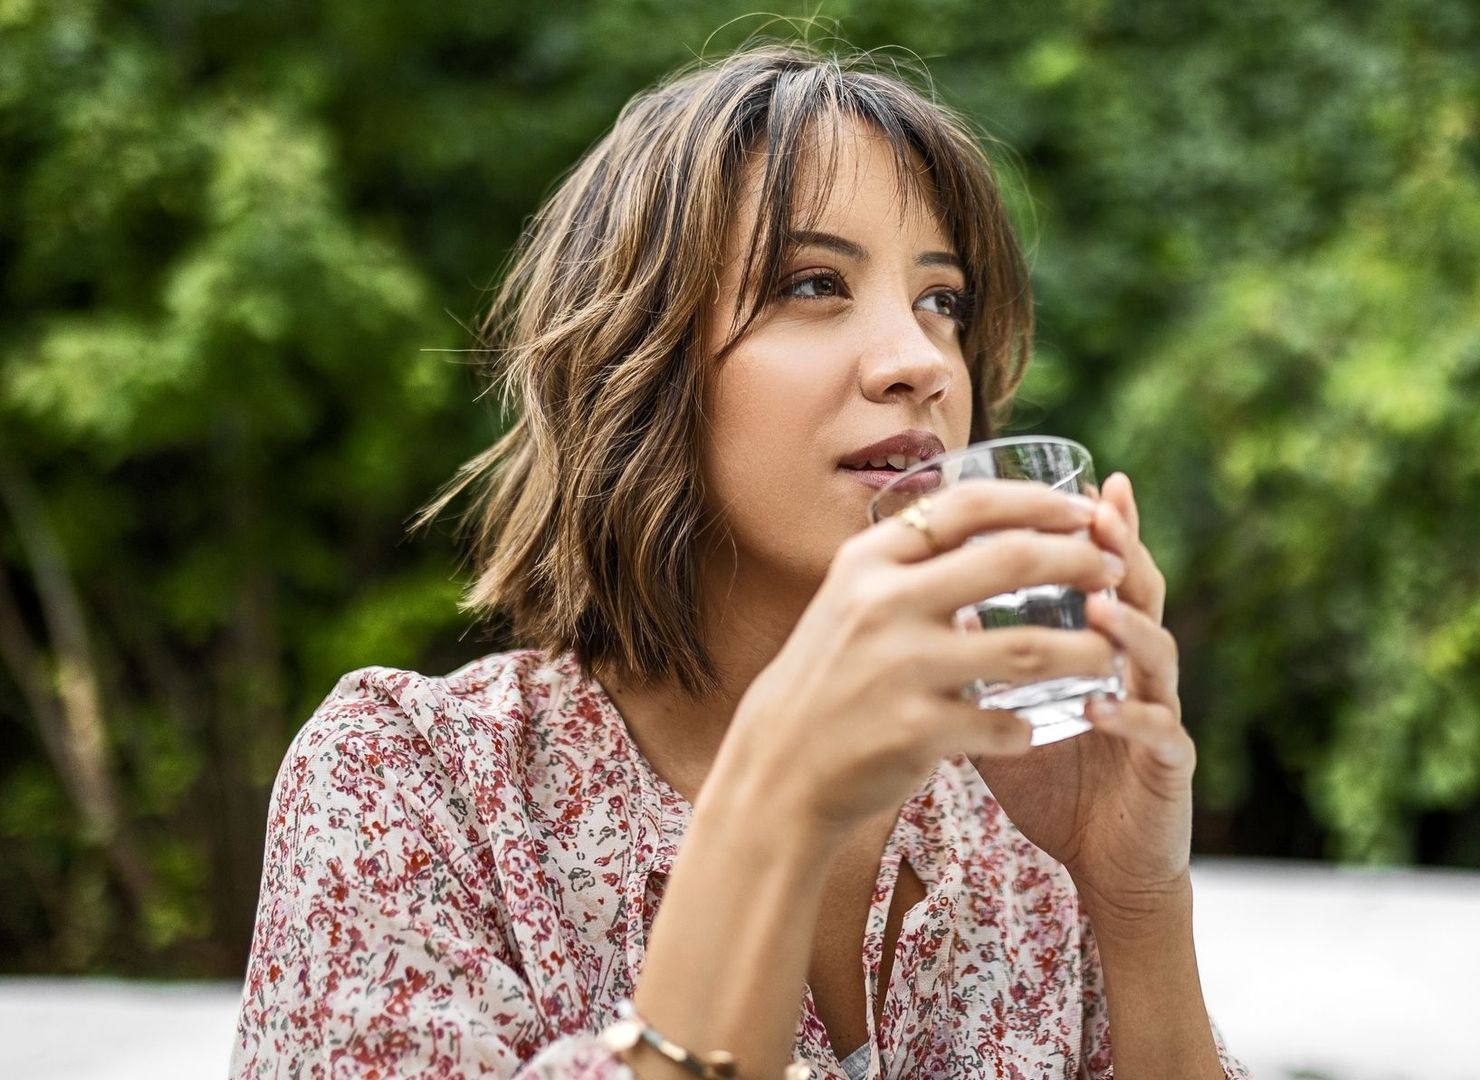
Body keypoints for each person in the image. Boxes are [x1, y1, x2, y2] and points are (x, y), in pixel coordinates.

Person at [231, 41, 1250, 1080]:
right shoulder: (410, 784)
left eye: (942, 301)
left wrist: (1136, 905)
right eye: (814, 283)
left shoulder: (1018, 822)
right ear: (642, 359)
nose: (918, 363)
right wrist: (777, 803)